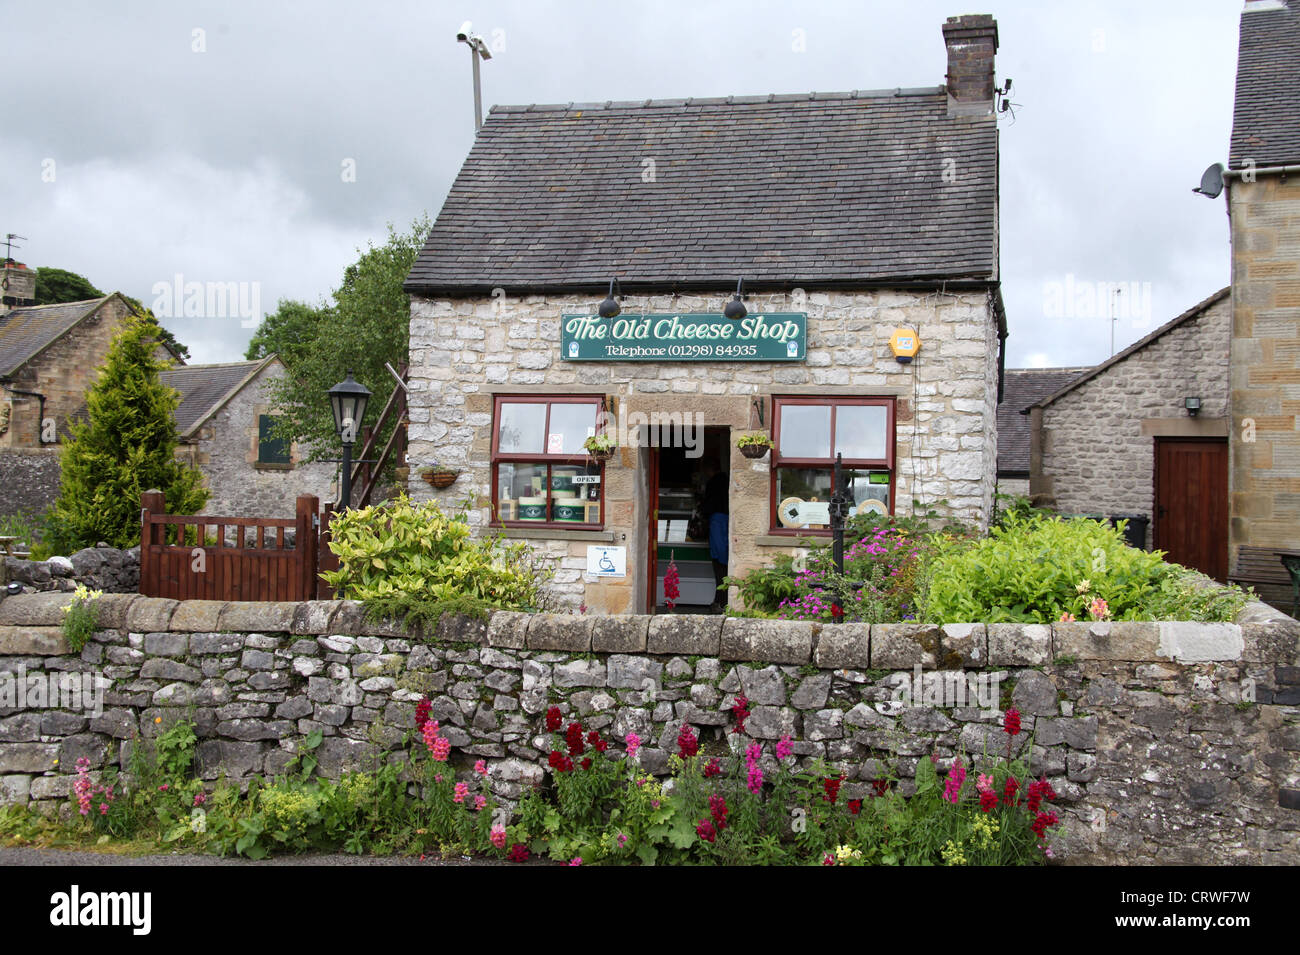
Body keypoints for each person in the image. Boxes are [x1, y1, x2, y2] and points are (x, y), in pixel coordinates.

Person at [699, 459, 729, 612]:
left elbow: (708, 506)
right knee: (721, 564)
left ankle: (721, 603)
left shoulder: (714, 483)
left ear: (710, 470)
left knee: (720, 564)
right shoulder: (726, 480)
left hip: (718, 524)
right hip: (723, 524)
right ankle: (720, 602)